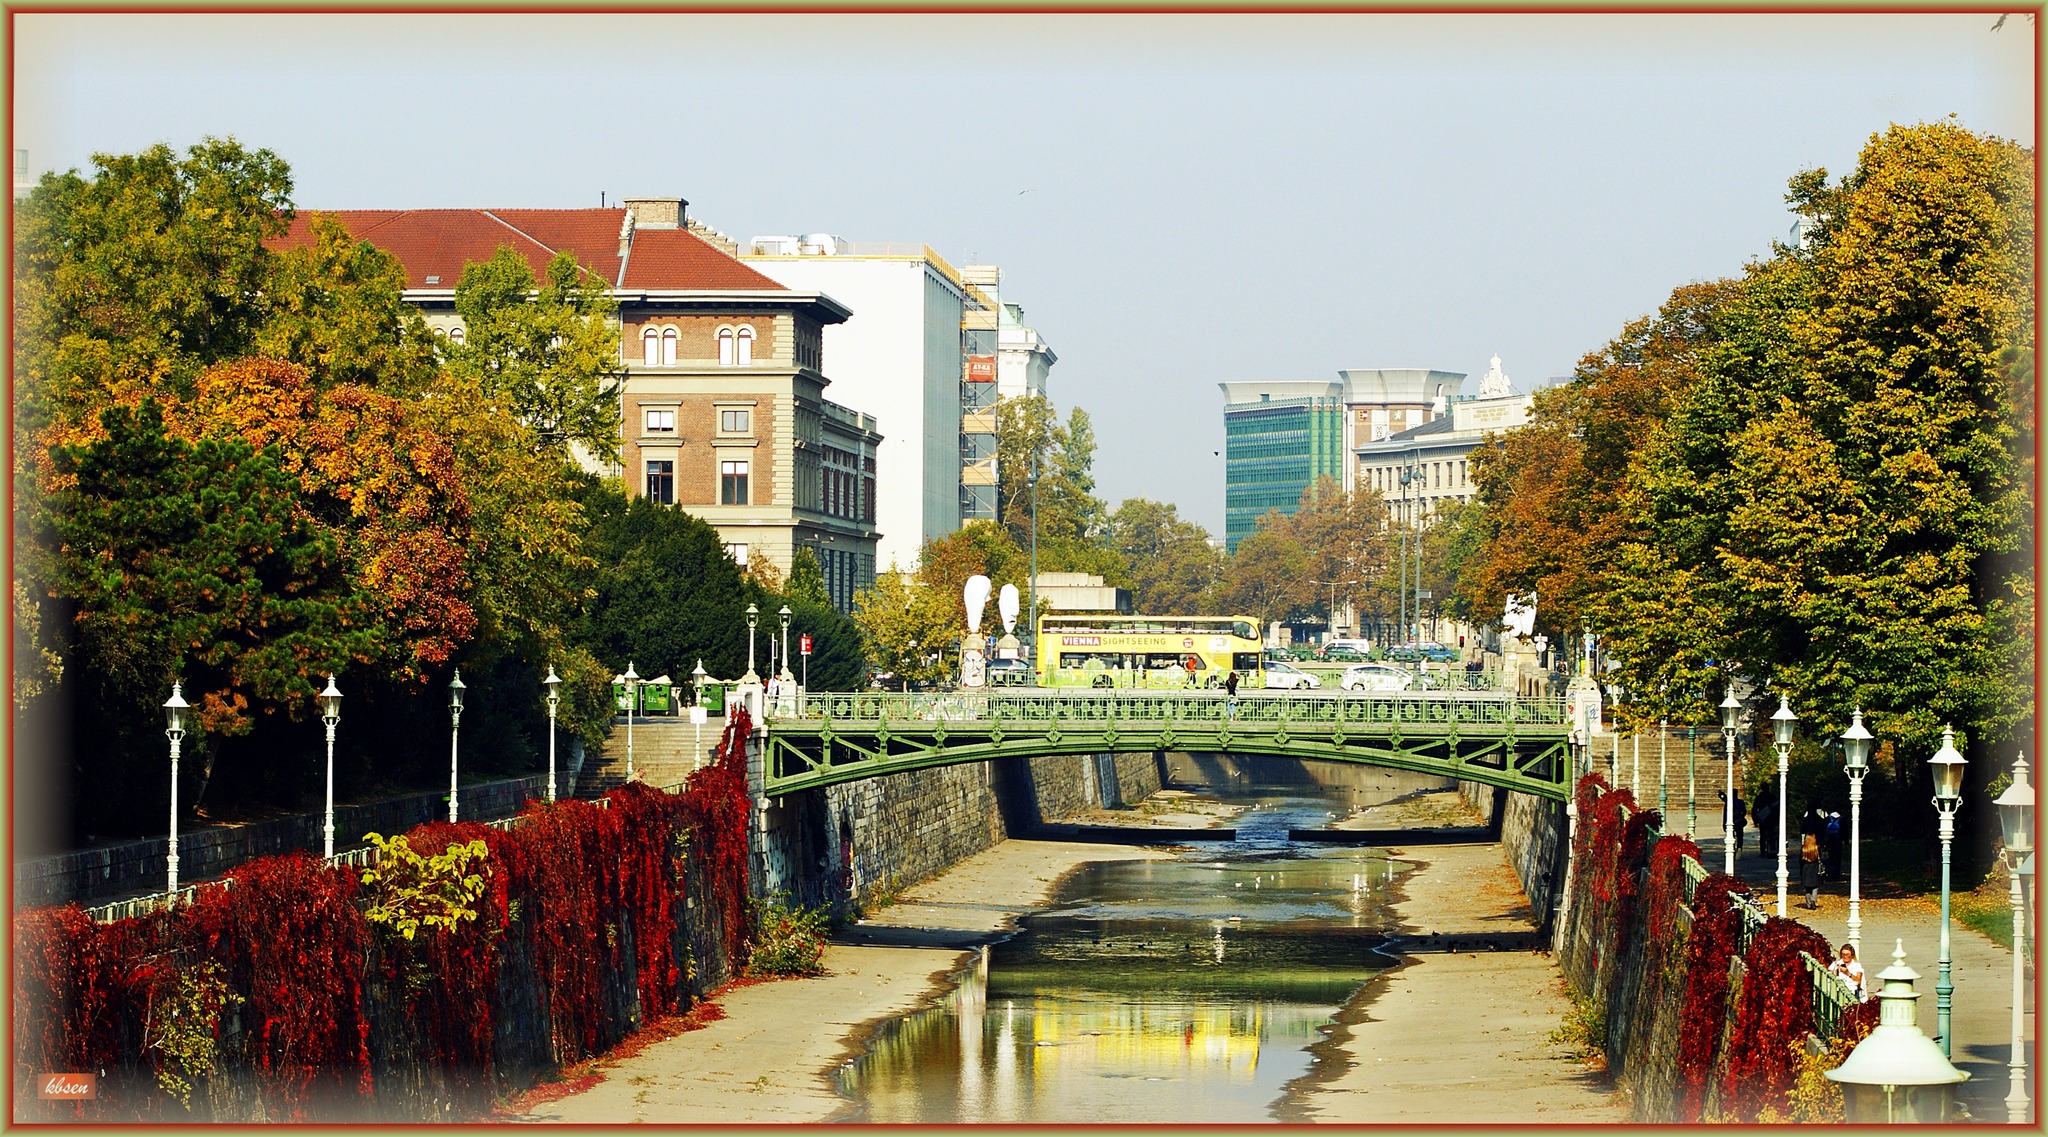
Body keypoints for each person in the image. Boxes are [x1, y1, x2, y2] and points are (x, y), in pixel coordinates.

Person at [1799, 828, 1822, 909]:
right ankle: (1813, 900)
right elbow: (1820, 859)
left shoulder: (1804, 849)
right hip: (1814, 868)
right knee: (1815, 886)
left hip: (1806, 869)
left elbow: (1800, 861)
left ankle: (1808, 903)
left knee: (1807, 888)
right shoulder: (1816, 848)